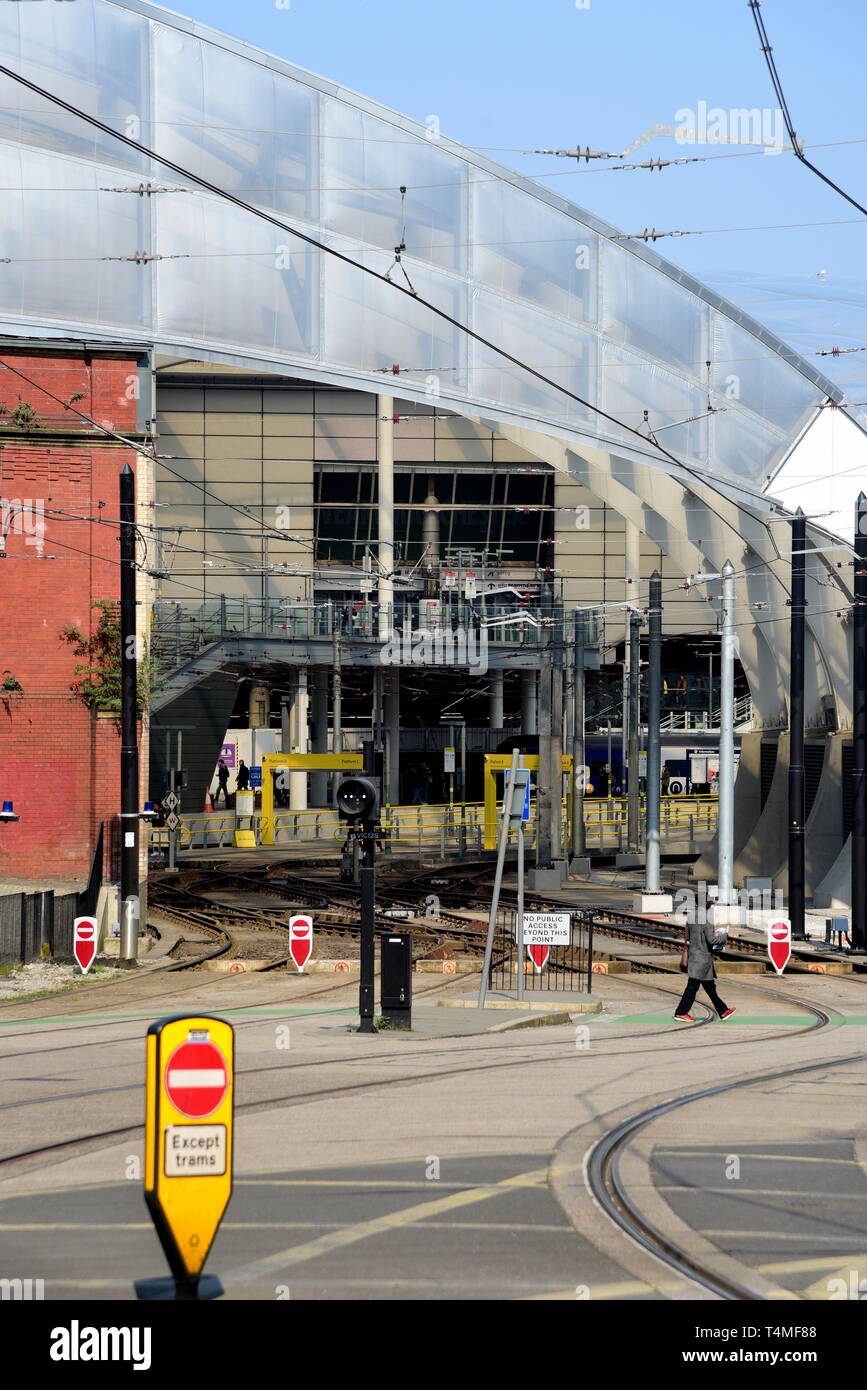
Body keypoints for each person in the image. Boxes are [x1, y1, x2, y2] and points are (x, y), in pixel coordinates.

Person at [674, 919, 737, 1022]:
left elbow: (689, 937)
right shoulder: (706, 922)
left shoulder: (691, 919)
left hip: (694, 956)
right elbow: (712, 940)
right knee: (692, 987)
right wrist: (724, 936)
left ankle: (723, 1011)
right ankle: (681, 1012)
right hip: (702, 960)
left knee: (710, 987)